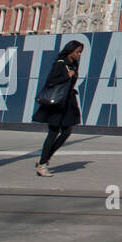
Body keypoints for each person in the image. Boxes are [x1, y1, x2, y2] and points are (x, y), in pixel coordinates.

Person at [32, 41, 84, 177]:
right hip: (57, 103)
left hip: (67, 102)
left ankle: (44, 159)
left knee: (67, 131)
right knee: (53, 132)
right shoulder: (61, 63)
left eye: (80, 52)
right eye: (77, 51)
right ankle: (43, 164)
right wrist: (67, 76)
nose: (79, 55)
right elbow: (51, 80)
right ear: (70, 50)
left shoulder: (73, 64)